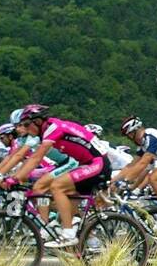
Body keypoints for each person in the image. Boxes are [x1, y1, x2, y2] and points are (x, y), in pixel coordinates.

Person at [9, 105, 113, 247]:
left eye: (27, 124)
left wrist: (14, 178)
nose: (26, 129)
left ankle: (69, 233)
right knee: (68, 203)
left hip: (96, 163)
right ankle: (88, 240)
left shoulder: (53, 129)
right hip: (88, 164)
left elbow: (36, 158)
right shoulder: (49, 128)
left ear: (38, 121)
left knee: (57, 186)